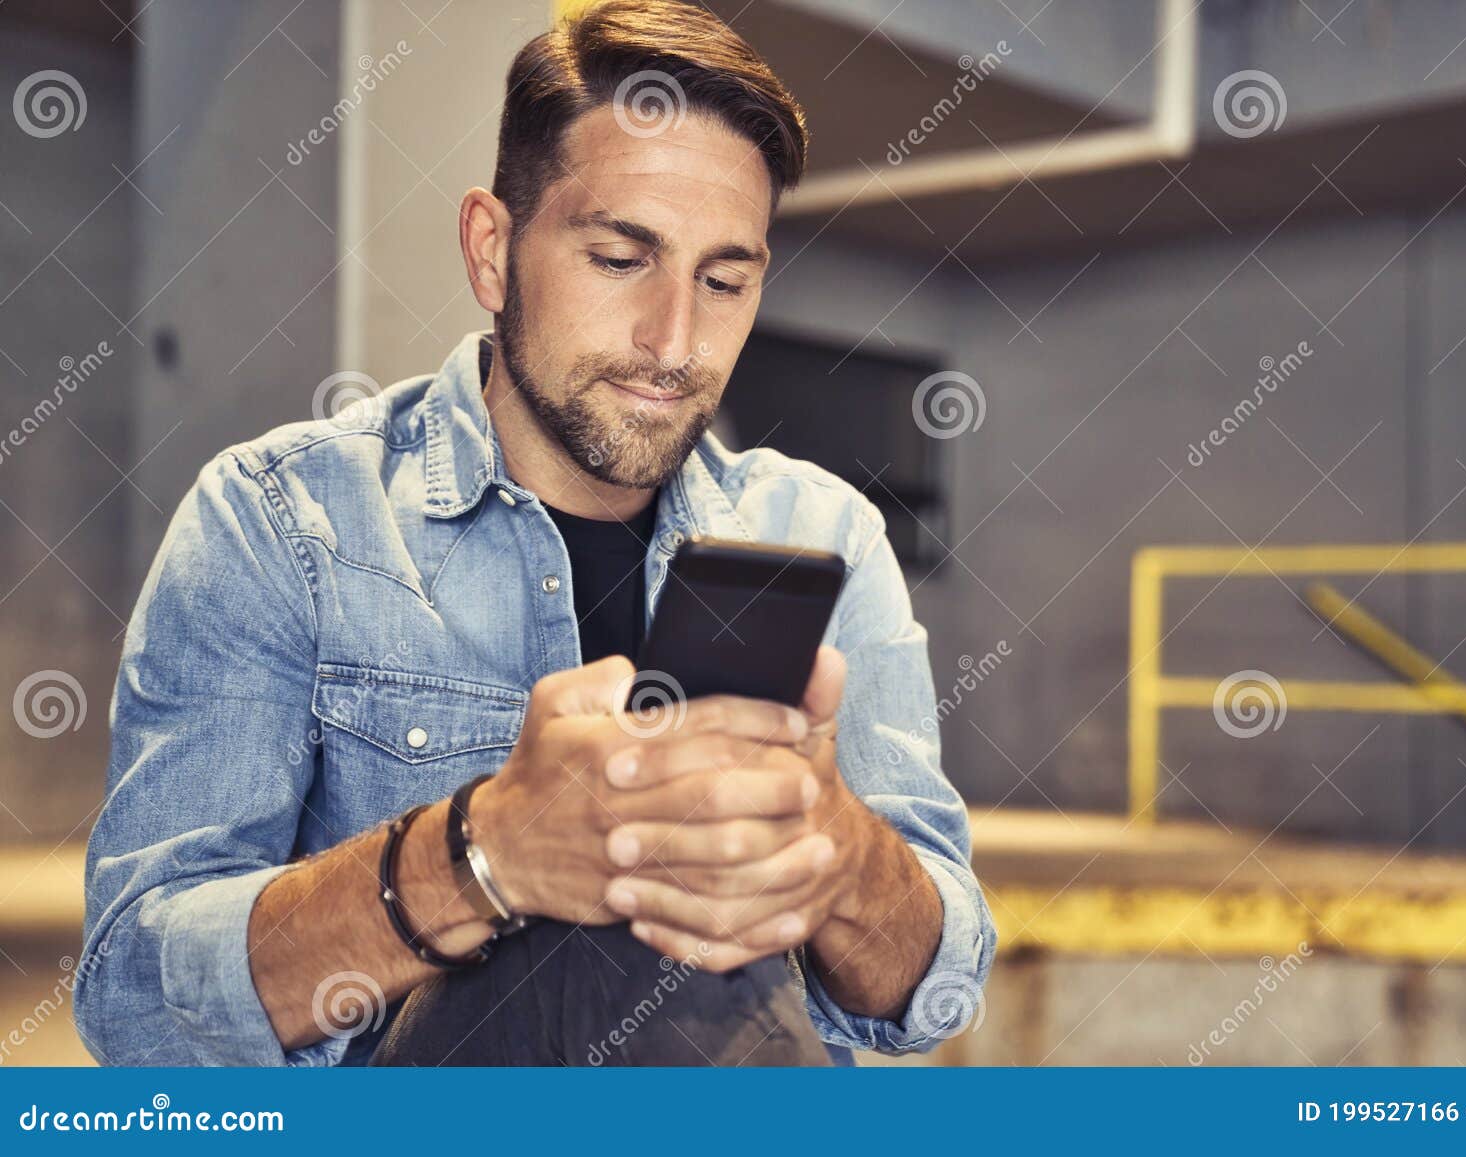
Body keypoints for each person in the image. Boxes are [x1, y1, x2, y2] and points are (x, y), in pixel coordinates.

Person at [74, 0, 993, 1067]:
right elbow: (133, 996)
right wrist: (478, 855)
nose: (674, 340)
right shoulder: (283, 521)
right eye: (618, 258)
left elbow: (936, 983)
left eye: (724, 280)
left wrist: (840, 859)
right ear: (492, 249)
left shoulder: (820, 532)